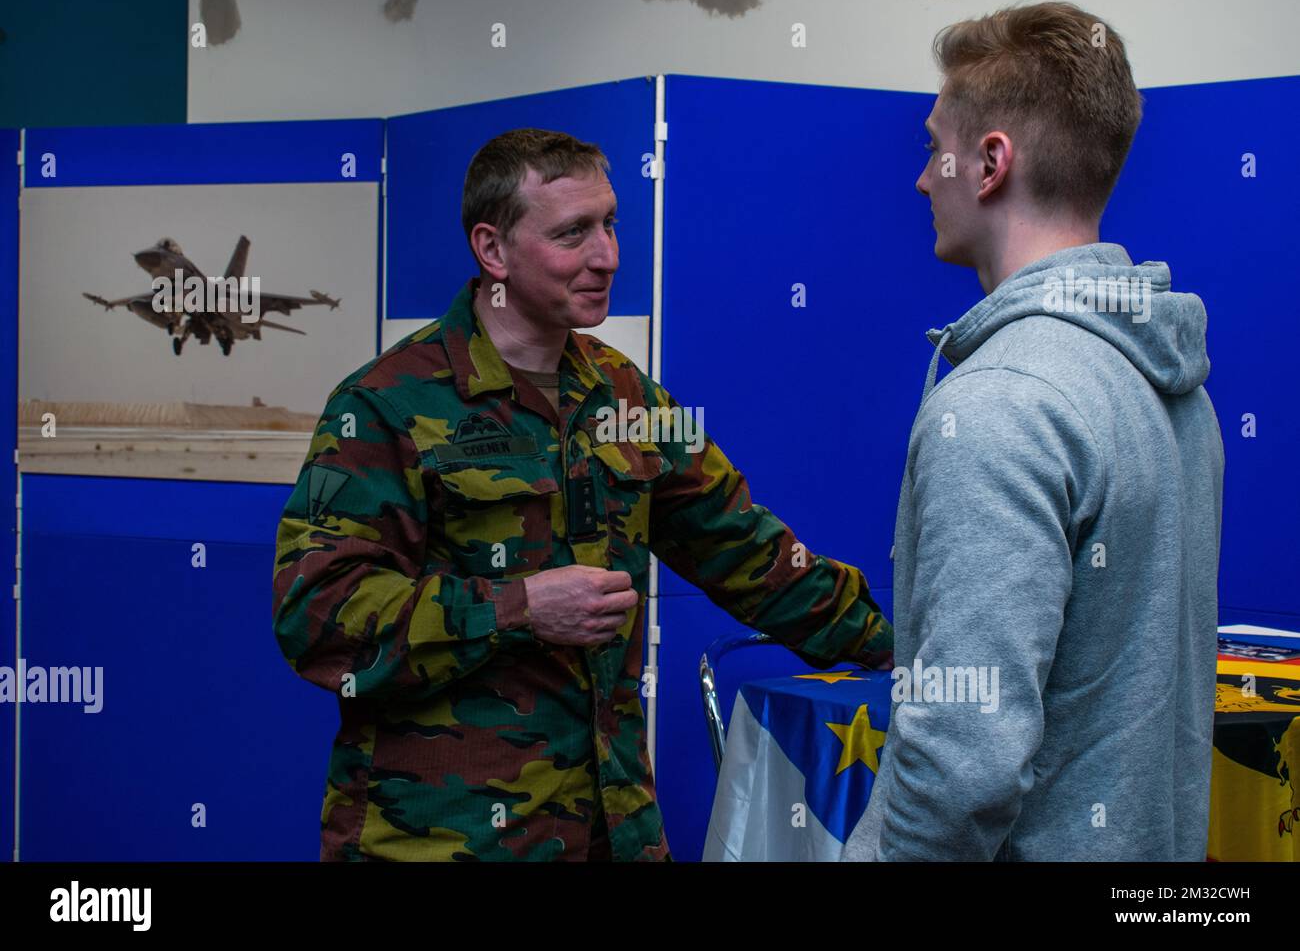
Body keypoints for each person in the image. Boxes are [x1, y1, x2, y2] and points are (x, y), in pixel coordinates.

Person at [272, 127, 892, 861]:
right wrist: (520, 608)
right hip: (446, 838)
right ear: (493, 250)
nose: (608, 256)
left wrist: (908, 651)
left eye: (610, 223)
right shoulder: (385, 405)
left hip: (612, 828)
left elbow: (746, 551)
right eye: (573, 233)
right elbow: (316, 620)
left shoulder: (626, 394)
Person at [842, 1, 1224, 861]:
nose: (919, 178)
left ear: (989, 163)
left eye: (933, 146)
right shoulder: (1172, 385)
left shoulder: (998, 403)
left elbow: (959, 766)